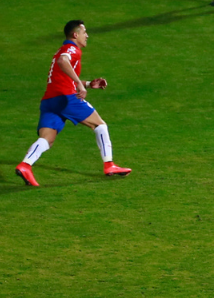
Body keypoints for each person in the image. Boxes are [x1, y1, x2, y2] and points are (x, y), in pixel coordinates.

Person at [15, 20, 132, 187]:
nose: (87, 36)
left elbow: (62, 77)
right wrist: (78, 83)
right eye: (85, 32)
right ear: (75, 35)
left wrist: (89, 83)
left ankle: (25, 165)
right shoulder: (71, 49)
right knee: (100, 125)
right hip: (66, 98)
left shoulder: (61, 50)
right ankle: (109, 165)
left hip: (50, 100)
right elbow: (64, 62)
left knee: (47, 139)